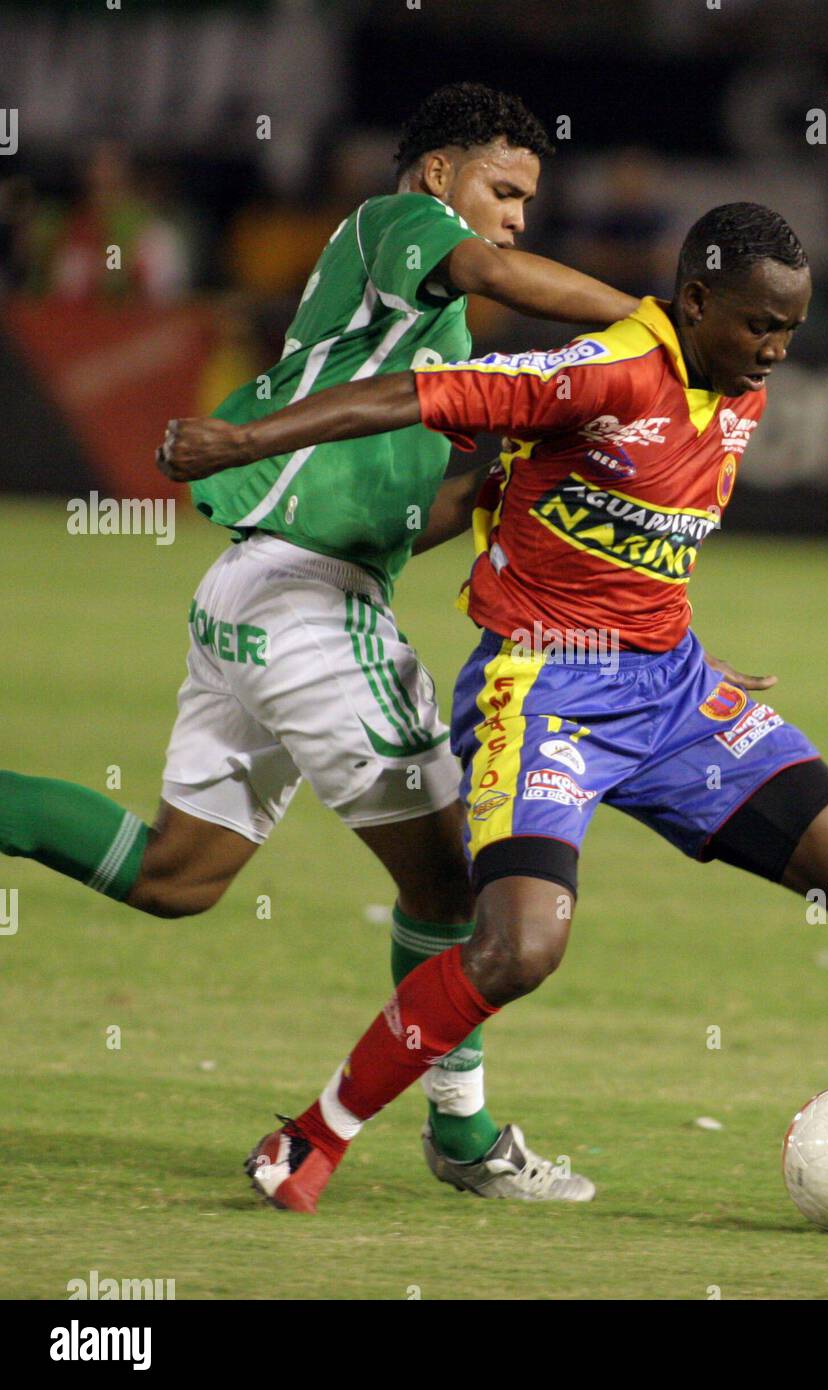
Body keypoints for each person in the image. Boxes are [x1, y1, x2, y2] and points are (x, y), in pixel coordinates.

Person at [156, 201, 828, 1221]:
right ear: (695, 301)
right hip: (547, 694)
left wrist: (689, 658)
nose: (776, 352)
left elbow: (614, 530)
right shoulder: (603, 373)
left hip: (674, 692)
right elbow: (410, 395)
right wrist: (238, 441)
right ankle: (313, 1134)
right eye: (758, 326)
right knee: (518, 948)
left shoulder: (731, 381)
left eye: (790, 331)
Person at [0, 82, 646, 1203]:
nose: (516, 220)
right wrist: (653, 333)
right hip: (303, 606)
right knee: (459, 892)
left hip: (261, 594)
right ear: (440, 174)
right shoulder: (394, 227)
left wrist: (493, 490)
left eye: (529, 201)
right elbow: (496, 275)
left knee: (176, 875)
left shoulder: (424, 343)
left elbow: (407, 523)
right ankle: (463, 1139)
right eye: (505, 190)